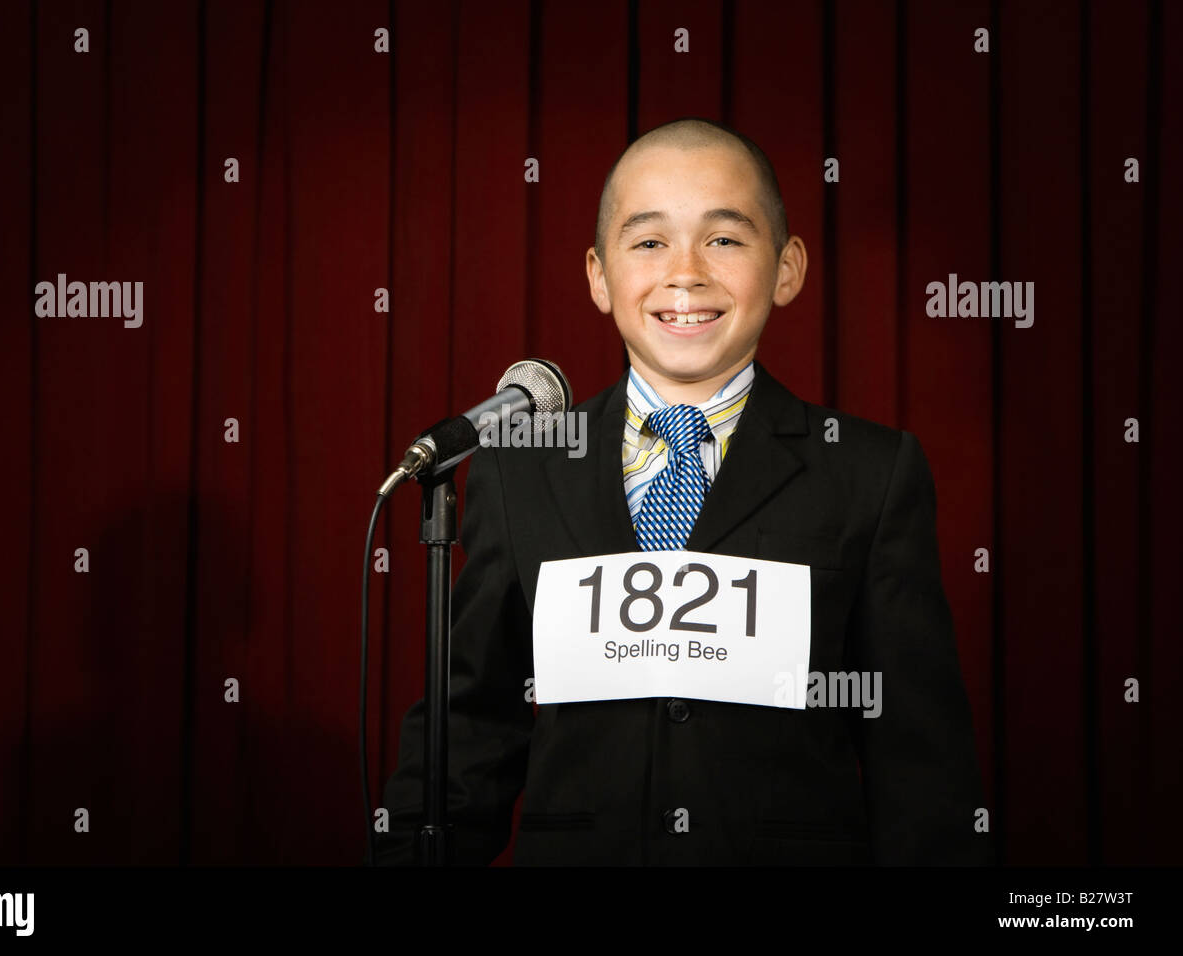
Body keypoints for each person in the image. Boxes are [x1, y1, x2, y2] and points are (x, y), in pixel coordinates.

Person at [373, 116, 991, 865]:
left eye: (725, 239)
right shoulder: (518, 468)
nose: (687, 272)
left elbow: (917, 762)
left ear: (788, 268)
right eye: (649, 241)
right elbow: (470, 730)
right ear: (600, 276)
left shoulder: (870, 472)